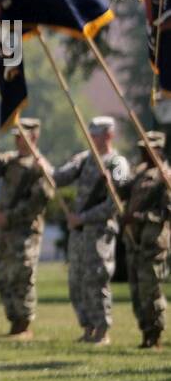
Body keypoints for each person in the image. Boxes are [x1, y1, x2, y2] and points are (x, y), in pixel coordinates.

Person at [53, 116, 131, 345]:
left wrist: (82, 217)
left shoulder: (118, 163)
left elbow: (115, 202)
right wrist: (42, 163)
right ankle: (87, 326)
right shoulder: (85, 159)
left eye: (96, 134)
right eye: (91, 134)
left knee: (96, 279)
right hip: (79, 232)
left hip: (98, 231)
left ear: (109, 135)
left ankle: (102, 329)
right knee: (76, 280)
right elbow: (59, 177)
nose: (93, 138)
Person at [0, 118, 54, 339]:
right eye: (15, 135)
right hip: (5, 232)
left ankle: (24, 324)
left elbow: (39, 201)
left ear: (33, 137)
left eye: (20, 135)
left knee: (22, 276)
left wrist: (9, 217)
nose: (16, 140)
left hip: (25, 231)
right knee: (4, 278)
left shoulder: (41, 167)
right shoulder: (9, 161)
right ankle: (13, 321)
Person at [120, 130, 170, 349]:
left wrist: (138, 217)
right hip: (134, 241)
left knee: (151, 289)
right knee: (136, 290)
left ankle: (155, 333)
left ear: (157, 150)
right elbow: (123, 192)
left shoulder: (165, 176)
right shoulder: (139, 175)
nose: (142, 154)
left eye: (146, 150)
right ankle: (145, 332)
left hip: (153, 243)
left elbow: (166, 212)